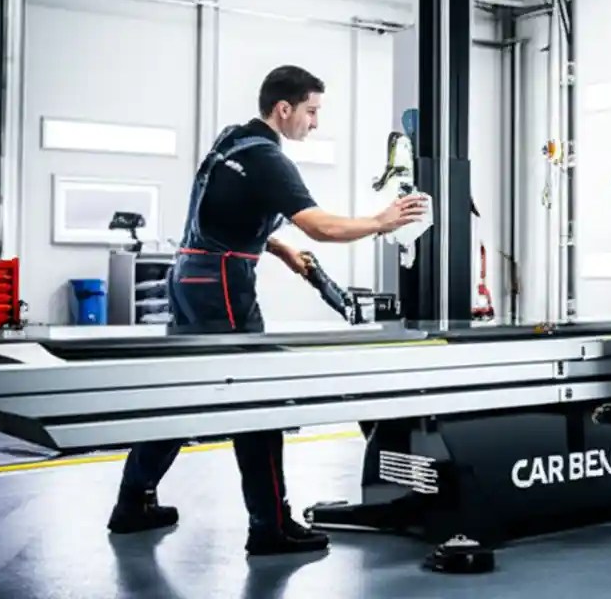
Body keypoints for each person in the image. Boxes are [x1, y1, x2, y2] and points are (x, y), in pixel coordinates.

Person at [105, 65, 428, 555]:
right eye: (312, 111)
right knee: (257, 400)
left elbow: (229, 211)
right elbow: (321, 227)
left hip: (189, 276)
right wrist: (381, 222)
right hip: (222, 286)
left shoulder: (232, 141)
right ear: (285, 109)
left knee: (178, 397)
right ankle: (270, 526)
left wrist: (279, 250)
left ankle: (132, 503)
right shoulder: (269, 159)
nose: (315, 122)